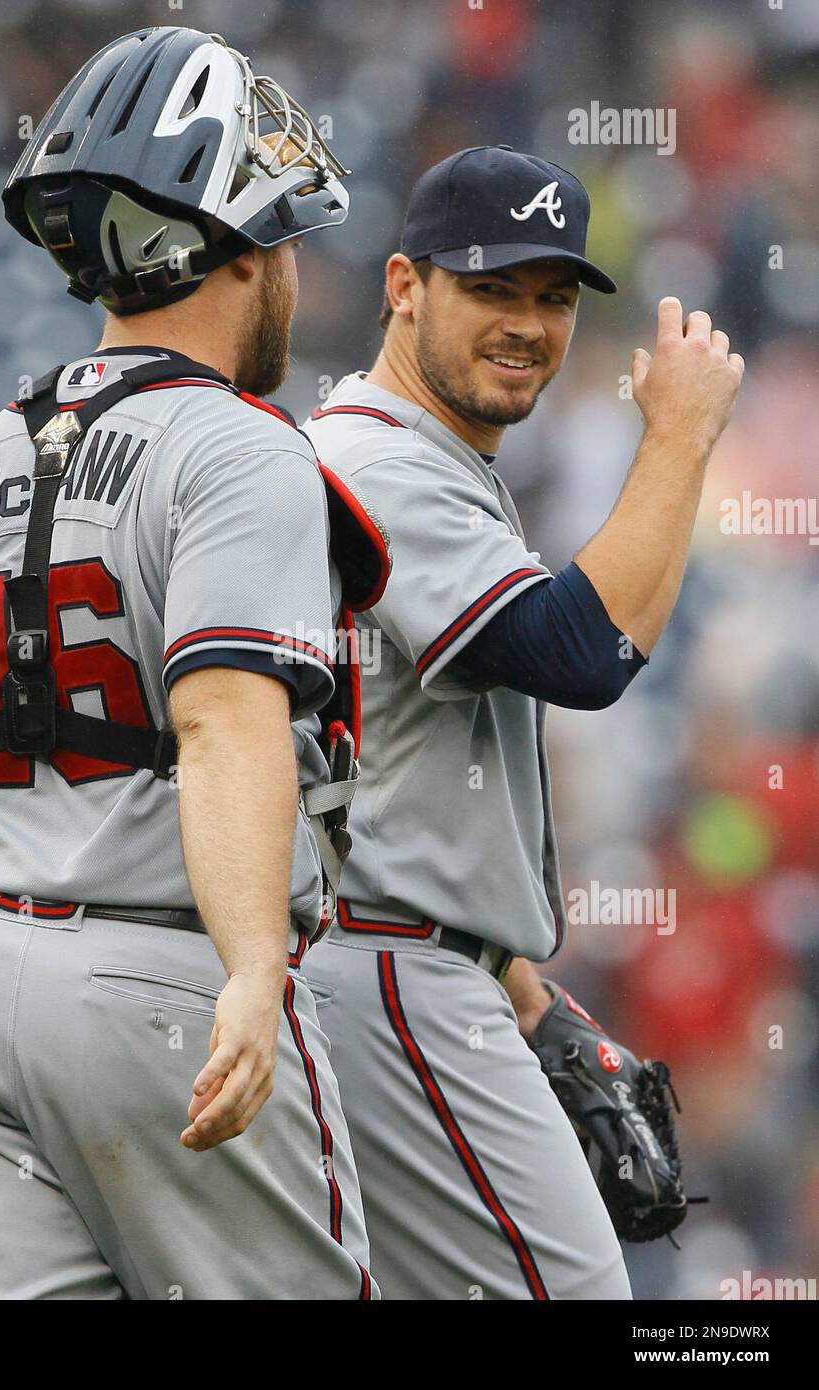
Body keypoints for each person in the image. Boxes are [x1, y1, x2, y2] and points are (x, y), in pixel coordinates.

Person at [0, 26, 386, 1301]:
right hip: (158, 979)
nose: (293, 274)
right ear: (235, 247)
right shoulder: (243, 446)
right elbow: (220, 724)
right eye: (284, 240)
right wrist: (254, 967)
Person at [302, 145, 744, 1300]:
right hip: (385, 972)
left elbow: (392, 779)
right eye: (490, 287)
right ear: (404, 286)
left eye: (551, 298)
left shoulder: (422, 456)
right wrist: (681, 437)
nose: (528, 324)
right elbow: (576, 653)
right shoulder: (371, 456)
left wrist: (515, 983)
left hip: (407, 958)